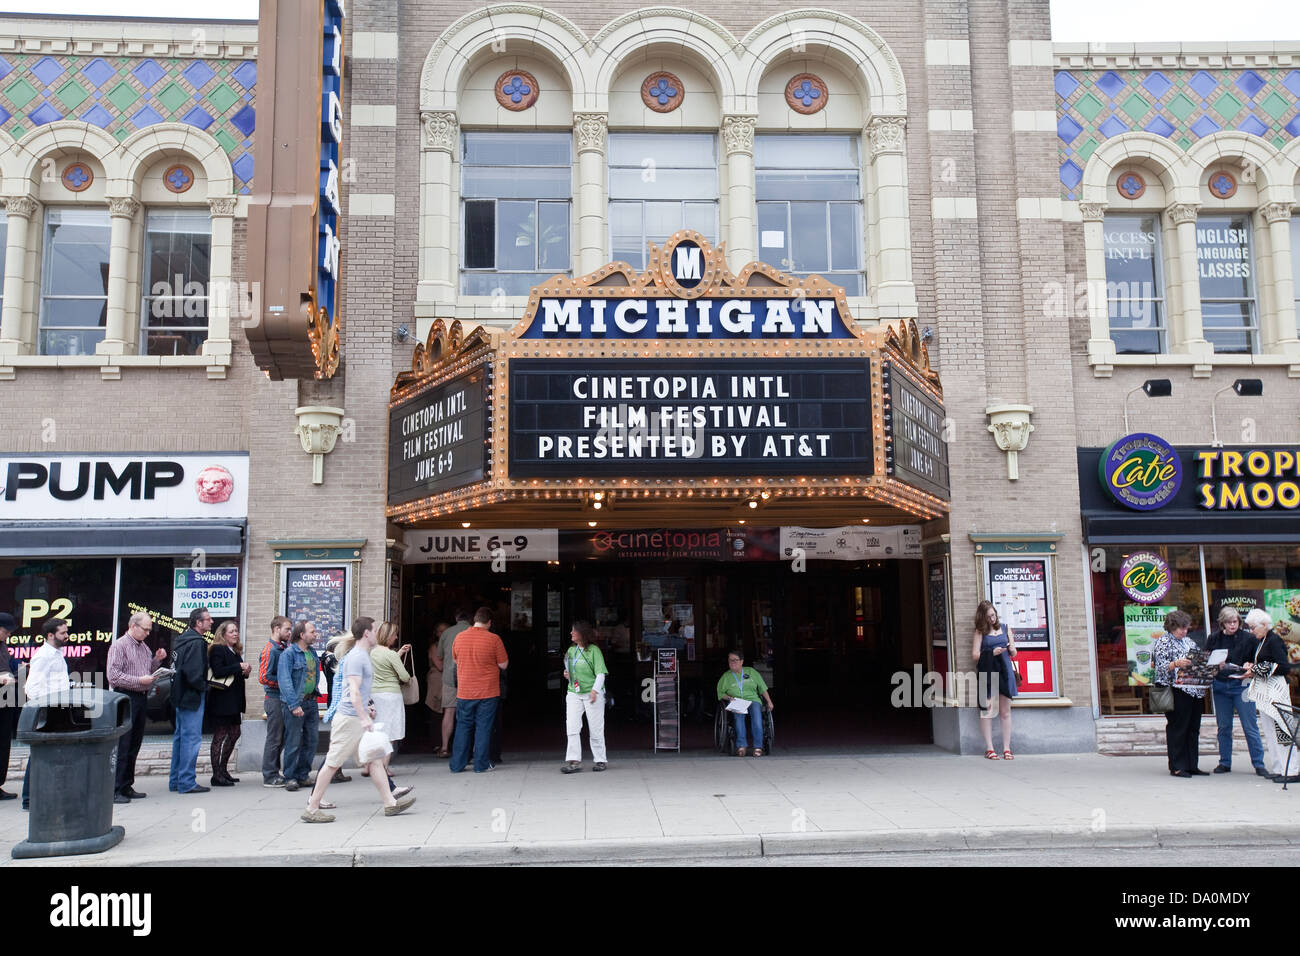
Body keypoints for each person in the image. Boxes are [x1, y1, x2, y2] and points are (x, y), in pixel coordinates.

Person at [303, 616, 415, 823]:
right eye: (374, 630)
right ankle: (312, 808)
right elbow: (353, 692)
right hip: (349, 719)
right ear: (366, 633)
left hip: (356, 717)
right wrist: (364, 717)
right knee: (333, 762)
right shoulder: (357, 657)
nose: (376, 634)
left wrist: (368, 707)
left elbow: (360, 692)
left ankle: (390, 803)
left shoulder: (364, 655)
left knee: (373, 761)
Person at [107, 611, 168, 803]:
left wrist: (157, 662)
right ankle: (115, 788)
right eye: (146, 629)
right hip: (125, 696)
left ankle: (127, 785)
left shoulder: (144, 647)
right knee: (123, 743)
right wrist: (139, 680)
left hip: (141, 697)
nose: (148, 633)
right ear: (133, 626)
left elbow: (146, 671)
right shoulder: (119, 645)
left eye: (150, 630)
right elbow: (113, 676)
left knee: (135, 743)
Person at [1205, 607, 1269, 777]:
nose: (1232, 625)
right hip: (1221, 685)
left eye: (1235, 622)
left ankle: (1259, 763)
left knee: (1250, 726)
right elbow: (1205, 661)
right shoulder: (1214, 638)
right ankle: (1224, 762)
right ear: (1222, 623)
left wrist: (1250, 664)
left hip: (1242, 685)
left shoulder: (1248, 638)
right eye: (1228, 622)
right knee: (1224, 726)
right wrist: (1213, 665)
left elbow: (1259, 658)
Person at [449, 607, 508, 774]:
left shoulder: (459, 637)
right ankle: (481, 764)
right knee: (483, 727)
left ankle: (457, 764)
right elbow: (504, 665)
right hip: (488, 691)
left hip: (465, 690)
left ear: (474, 620)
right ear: (489, 622)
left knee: (463, 726)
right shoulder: (494, 639)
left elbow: (455, 660)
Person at [1242, 608, 1295, 782]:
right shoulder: (1263, 640)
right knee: (1270, 731)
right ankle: (1279, 767)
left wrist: (1255, 669)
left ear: (1264, 625)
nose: (1251, 631)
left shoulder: (1274, 640)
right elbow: (1266, 663)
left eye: (1253, 627)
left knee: (1282, 730)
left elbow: (1284, 667)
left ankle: (1292, 770)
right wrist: (1252, 666)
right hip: (1265, 691)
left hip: (1276, 691)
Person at [24, 617, 72, 809]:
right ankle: (29, 798)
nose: (67, 635)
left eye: (66, 632)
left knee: (53, 753)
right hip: (47, 709)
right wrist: (47, 705)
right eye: (63, 633)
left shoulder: (57, 653)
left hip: (58, 708)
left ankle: (46, 793)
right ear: (50, 635)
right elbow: (31, 687)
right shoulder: (43, 656)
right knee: (39, 753)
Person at [1152, 608, 1205, 778]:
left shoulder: (1189, 641)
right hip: (1176, 689)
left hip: (1194, 689)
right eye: (1180, 628)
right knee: (1178, 728)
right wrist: (1175, 664)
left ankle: (1192, 765)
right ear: (1171, 627)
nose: (1184, 631)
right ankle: (1177, 765)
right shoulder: (1163, 641)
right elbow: (1159, 667)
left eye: (1186, 627)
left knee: (1193, 728)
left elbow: (1198, 660)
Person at [169, 606, 213, 795]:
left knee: (180, 738)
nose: (211, 622)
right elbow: (194, 672)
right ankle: (187, 781)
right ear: (198, 622)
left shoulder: (181, 640)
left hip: (179, 694)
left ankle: (176, 780)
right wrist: (205, 687)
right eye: (208, 619)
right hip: (192, 696)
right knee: (191, 739)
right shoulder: (197, 642)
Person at [561, 621, 609, 773]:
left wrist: (595, 691)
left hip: (592, 693)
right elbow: (570, 671)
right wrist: (567, 675)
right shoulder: (570, 651)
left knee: (596, 728)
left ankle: (600, 760)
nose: (571, 633)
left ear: (582, 633)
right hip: (574, 692)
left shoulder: (594, 650)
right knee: (572, 727)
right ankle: (574, 761)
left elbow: (601, 673)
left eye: (574, 631)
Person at [278, 620, 321, 792]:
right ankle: (290, 776)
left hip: (311, 701)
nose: (315, 634)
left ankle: (303, 774)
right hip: (296, 703)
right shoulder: (289, 654)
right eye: (312, 631)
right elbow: (285, 680)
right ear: (302, 635)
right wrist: (294, 704)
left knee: (312, 740)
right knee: (293, 741)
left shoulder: (312, 653)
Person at [207, 620, 250, 787]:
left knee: (234, 733)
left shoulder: (234, 651)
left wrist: (245, 671)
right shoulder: (217, 649)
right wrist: (238, 666)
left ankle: (223, 770)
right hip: (221, 701)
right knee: (219, 735)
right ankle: (216, 774)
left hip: (234, 701)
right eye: (231, 631)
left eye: (236, 631)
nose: (235, 634)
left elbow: (235, 673)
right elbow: (218, 671)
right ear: (223, 634)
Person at [972, 600, 1017, 760]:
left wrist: (1012, 649)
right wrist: (992, 652)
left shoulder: (1005, 627)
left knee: (1005, 712)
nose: (992, 619)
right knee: (987, 711)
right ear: (982, 618)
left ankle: (1007, 748)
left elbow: (1014, 652)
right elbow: (975, 655)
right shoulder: (980, 632)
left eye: (993, 615)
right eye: (988, 617)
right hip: (987, 672)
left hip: (1004, 671)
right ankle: (989, 748)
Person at [370, 621, 412, 777]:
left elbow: (383, 664)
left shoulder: (372, 652)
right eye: (394, 634)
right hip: (391, 696)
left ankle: (371, 765)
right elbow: (404, 676)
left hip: (375, 695)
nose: (396, 637)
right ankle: (384, 767)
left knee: (378, 730)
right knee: (390, 733)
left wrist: (399, 653)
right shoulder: (391, 654)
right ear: (388, 636)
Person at [716, 649, 774, 757]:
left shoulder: (751, 672)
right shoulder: (726, 676)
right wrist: (729, 698)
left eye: (735, 660)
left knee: (757, 717)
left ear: (742, 661)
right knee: (738, 717)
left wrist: (769, 702)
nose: (732, 663)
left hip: (753, 699)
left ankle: (758, 746)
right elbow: (720, 693)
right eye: (730, 660)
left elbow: (762, 688)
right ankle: (741, 746)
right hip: (737, 700)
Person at [259, 615, 291, 787]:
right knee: (275, 737)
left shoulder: (283, 647)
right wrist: (285, 683)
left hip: (282, 697)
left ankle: (275, 772)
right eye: (287, 629)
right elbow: (263, 677)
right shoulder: (270, 649)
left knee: (282, 737)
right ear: (276, 629)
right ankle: (270, 775)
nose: (289, 632)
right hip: (274, 698)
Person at [436, 611, 470, 758]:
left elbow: (440, 656)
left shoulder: (447, 633)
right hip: (470, 678)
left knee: (449, 712)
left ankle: (444, 747)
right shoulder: (474, 630)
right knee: (472, 713)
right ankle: (471, 748)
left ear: (456, 619)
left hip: (450, 678)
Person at [0, 612, 18, 800]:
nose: (8, 635)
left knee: (4, 743)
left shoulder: (3, 646)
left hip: (5, 698)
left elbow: (9, 666)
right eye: (6, 631)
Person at [425, 621, 448, 734]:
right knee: (436, 710)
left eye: (445, 631)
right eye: (440, 631)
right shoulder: (434, 647)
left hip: (447, 681)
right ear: (436, 633)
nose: (443, 633)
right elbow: (440, 666)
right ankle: (436, 743)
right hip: (437, 681)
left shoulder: (450, 645)